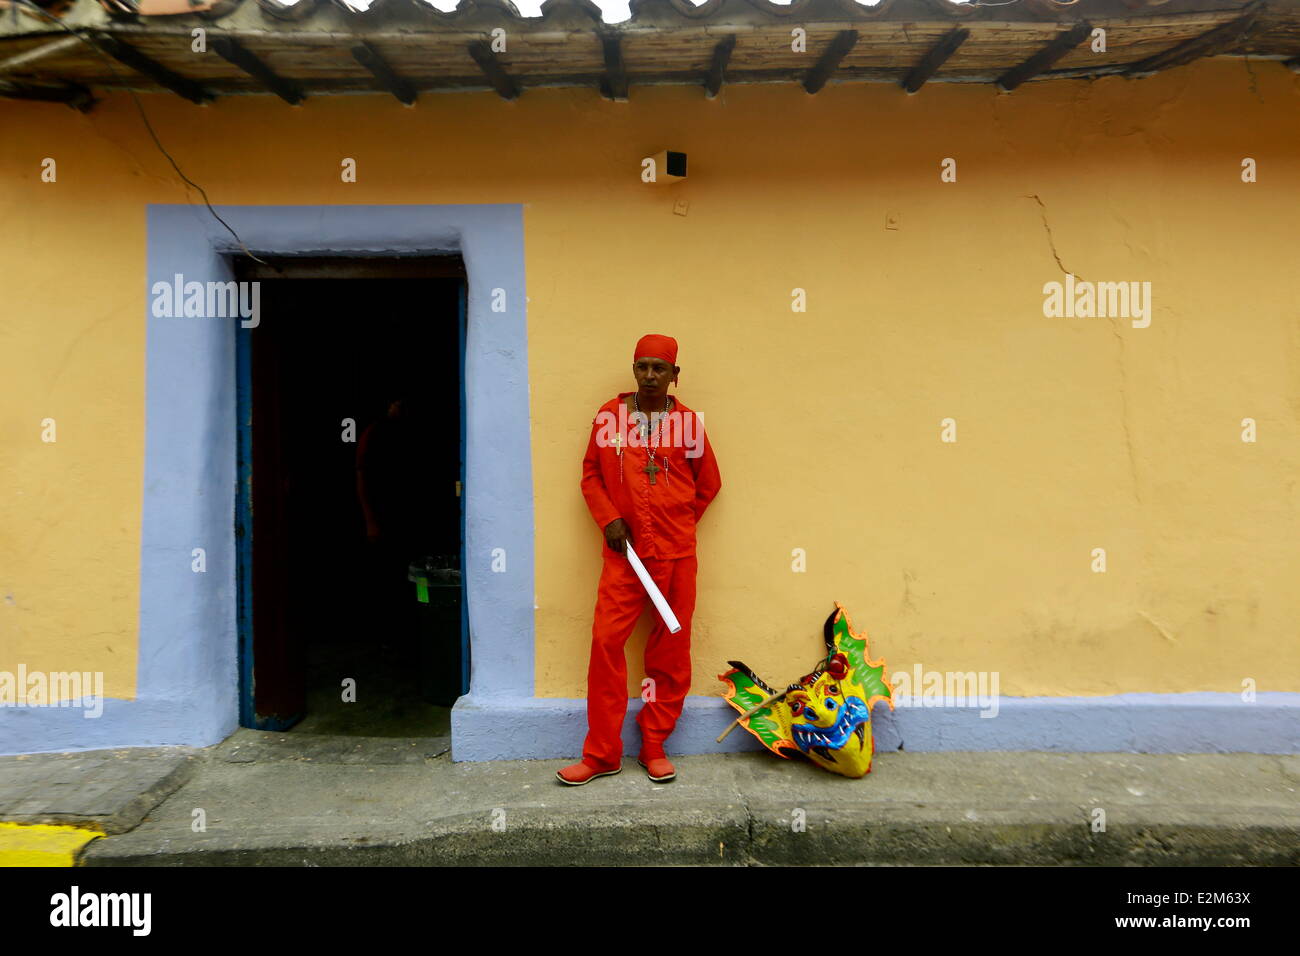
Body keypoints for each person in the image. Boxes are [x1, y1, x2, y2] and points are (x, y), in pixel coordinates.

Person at [557, 334, 722, 785]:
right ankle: (602, 753)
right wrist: (609, 518)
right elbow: (590, 474)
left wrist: (678, 523)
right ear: (634, 370)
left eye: (659, 368)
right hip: (624, 556)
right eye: (642, 367)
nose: (650, 375)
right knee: (606, 644)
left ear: (674, 375)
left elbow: (708, 484)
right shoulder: (610, 416)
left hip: (676, 556)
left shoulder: (688, 424)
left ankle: (654, 745)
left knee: (670, 651)